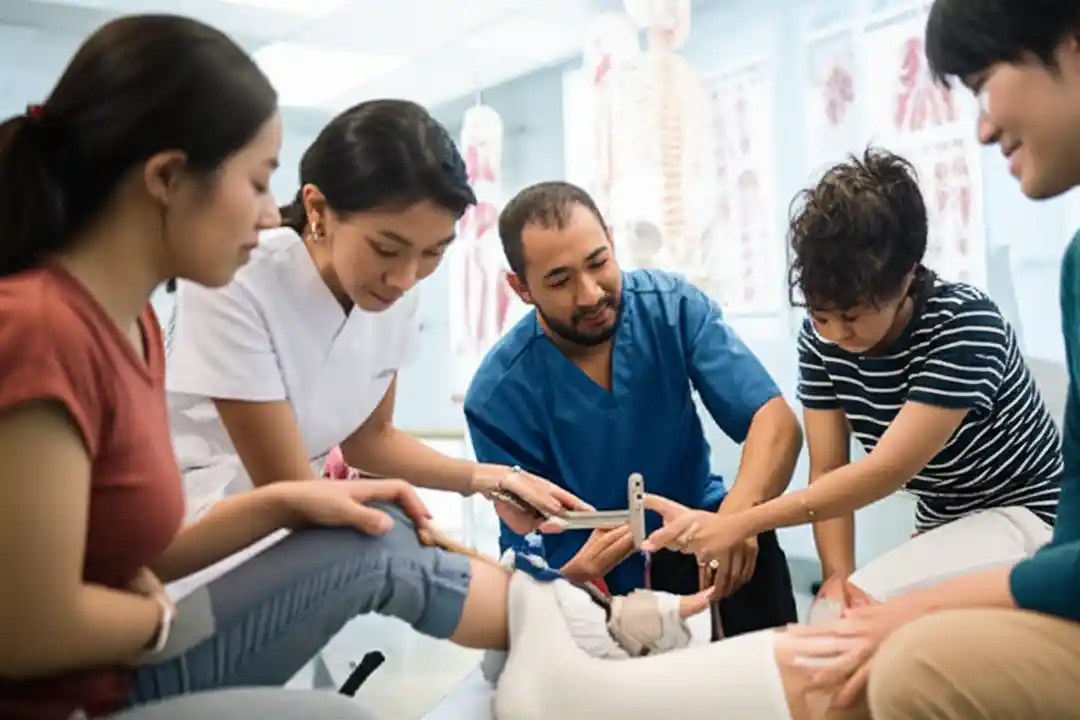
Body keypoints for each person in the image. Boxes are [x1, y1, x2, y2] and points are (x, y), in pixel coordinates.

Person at [0, 15, 660, 720]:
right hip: (125, 637)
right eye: (257, 183)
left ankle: (582, 630)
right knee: (373, 545)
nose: (263, 215)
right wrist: (159, 614)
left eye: (432, 254)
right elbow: (33, 622)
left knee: (378, 537)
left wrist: (483, 480)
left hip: (157, 596)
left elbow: (363, 443)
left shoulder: (130, 328)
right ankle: (587, 632)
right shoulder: (73, 323)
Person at [646, 0, 1080, 716]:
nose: (981, 126)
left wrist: (915, 609)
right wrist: (853, 586)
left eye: (985, 81)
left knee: (900, 658)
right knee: (862, 646)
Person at [640, 149, 1063, 611]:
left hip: (1035, 517)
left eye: (853, 316)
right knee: (837, 609)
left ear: (907, 277)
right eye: (822, 316)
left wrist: (739, 522)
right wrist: (835, 577)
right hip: (947, 521)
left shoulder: (964, 323)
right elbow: (829, 468)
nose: (838, 334)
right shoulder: (820, 342)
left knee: (862, 616)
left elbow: (885, 470)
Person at [165, 98, 585, 532]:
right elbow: (288, 488)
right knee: (416, 553)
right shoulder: (238, 279)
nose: (405, 277)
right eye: (386, 249)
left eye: (432, 253)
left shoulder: (393, 295)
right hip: (195, 528)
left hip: (296, 525)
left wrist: (492, 479)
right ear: (317, 210)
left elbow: (370, 441)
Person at [463, 181, 803, 636]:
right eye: (560, 281)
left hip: (703, 541)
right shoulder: (498, 395)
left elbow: (775, 422)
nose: (590, 294)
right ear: (521, 288)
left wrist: (738, 520)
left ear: (611, 240)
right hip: (593, 586)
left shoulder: (672, 309)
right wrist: (575, 578)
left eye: (598, 262)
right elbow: (526, 549)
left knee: (778, 678)